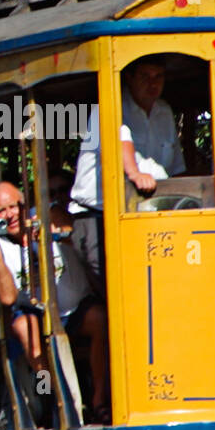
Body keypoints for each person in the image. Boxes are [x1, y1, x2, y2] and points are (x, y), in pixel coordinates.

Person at [0, 181, 107, 430]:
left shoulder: (45, 217)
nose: (9, 214)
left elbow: (67, 226)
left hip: (74, 309)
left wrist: (44, 230)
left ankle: (99, 401)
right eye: (0, 211)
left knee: (100, 319)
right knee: (25, 333)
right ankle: (50, 397)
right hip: (37, 314)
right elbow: (7, 298)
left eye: (13, 207)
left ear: (24, 205)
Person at [69, 56, 186, 288]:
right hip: (97, 217)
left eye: (158, 77)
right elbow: (119, 138)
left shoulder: (164, 111)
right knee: (117, 290)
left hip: (147, 217)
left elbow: (175, 169)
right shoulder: (109, 105)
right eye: (145, 76)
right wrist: (134, 174)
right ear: (129, 78)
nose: (152, 83)